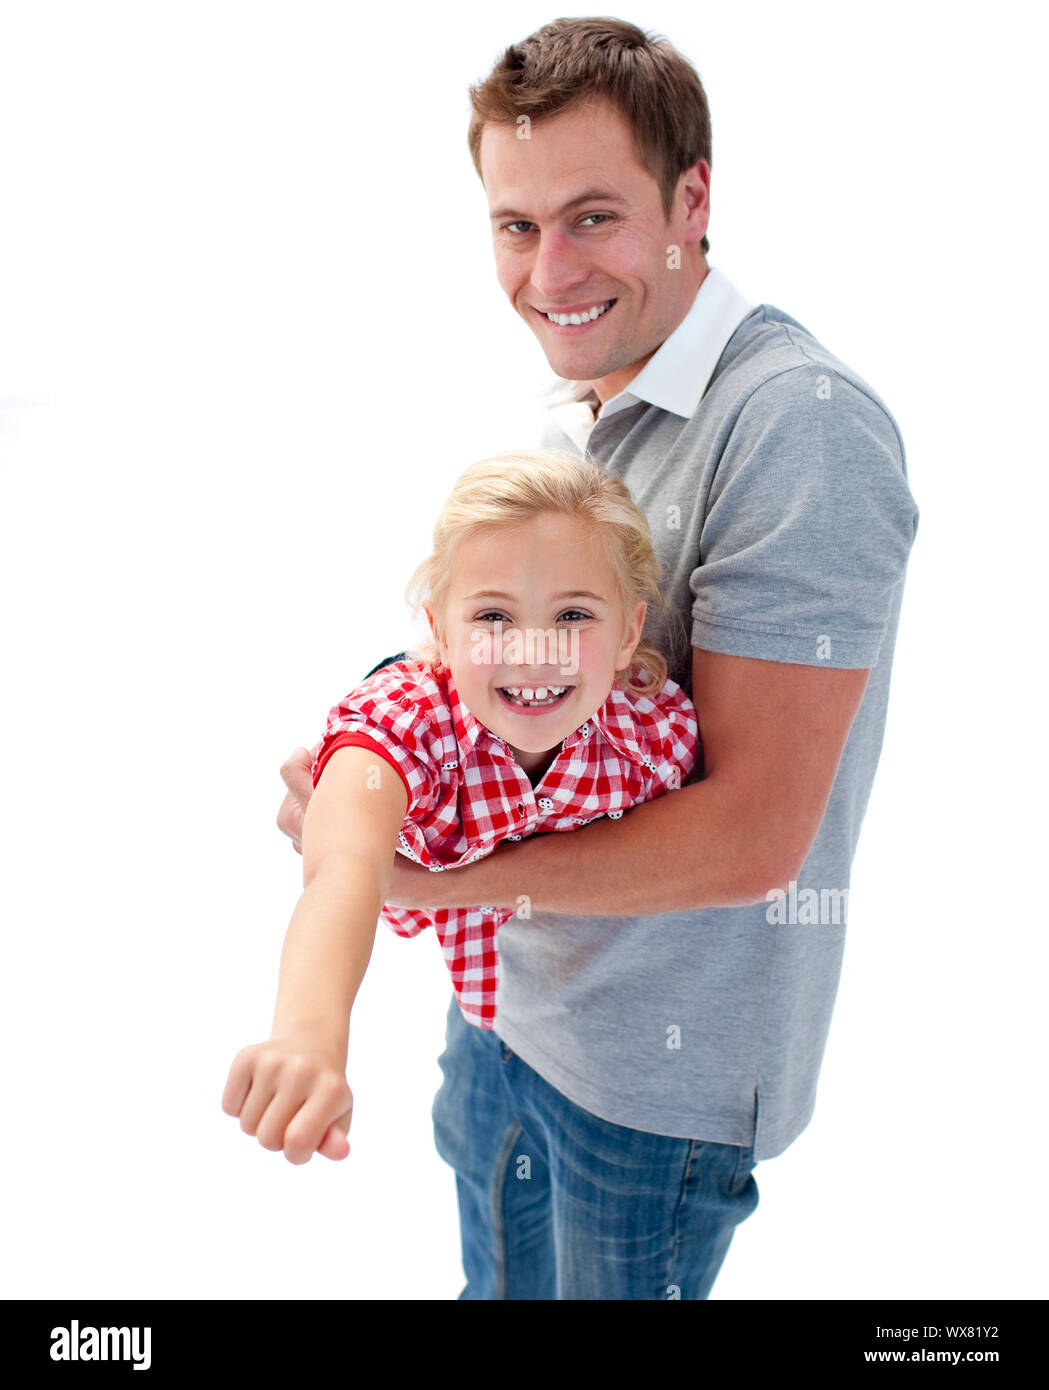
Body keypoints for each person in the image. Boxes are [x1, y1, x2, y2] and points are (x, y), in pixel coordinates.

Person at [275, 17, 920, 1299]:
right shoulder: (600, 409)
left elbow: (749, 838)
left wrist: (433, 879)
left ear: (692, 198)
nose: (547, 270)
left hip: (647, 1098)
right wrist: (370, 760)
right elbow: (485, 677)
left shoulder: (798, 432)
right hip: (512, 1019)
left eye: (591, 217)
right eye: (515, 226)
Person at [223, 450, 698, 1161]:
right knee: (495, 1250)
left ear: (630, 632)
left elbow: (713, 847)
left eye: (571, 613)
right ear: (439, 630)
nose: (534, 652)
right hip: (486, 1030)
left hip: (616, 1071)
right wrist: (307, 1037)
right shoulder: (399, 725)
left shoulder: (651, 731)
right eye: (493, 617)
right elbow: (343, 870)